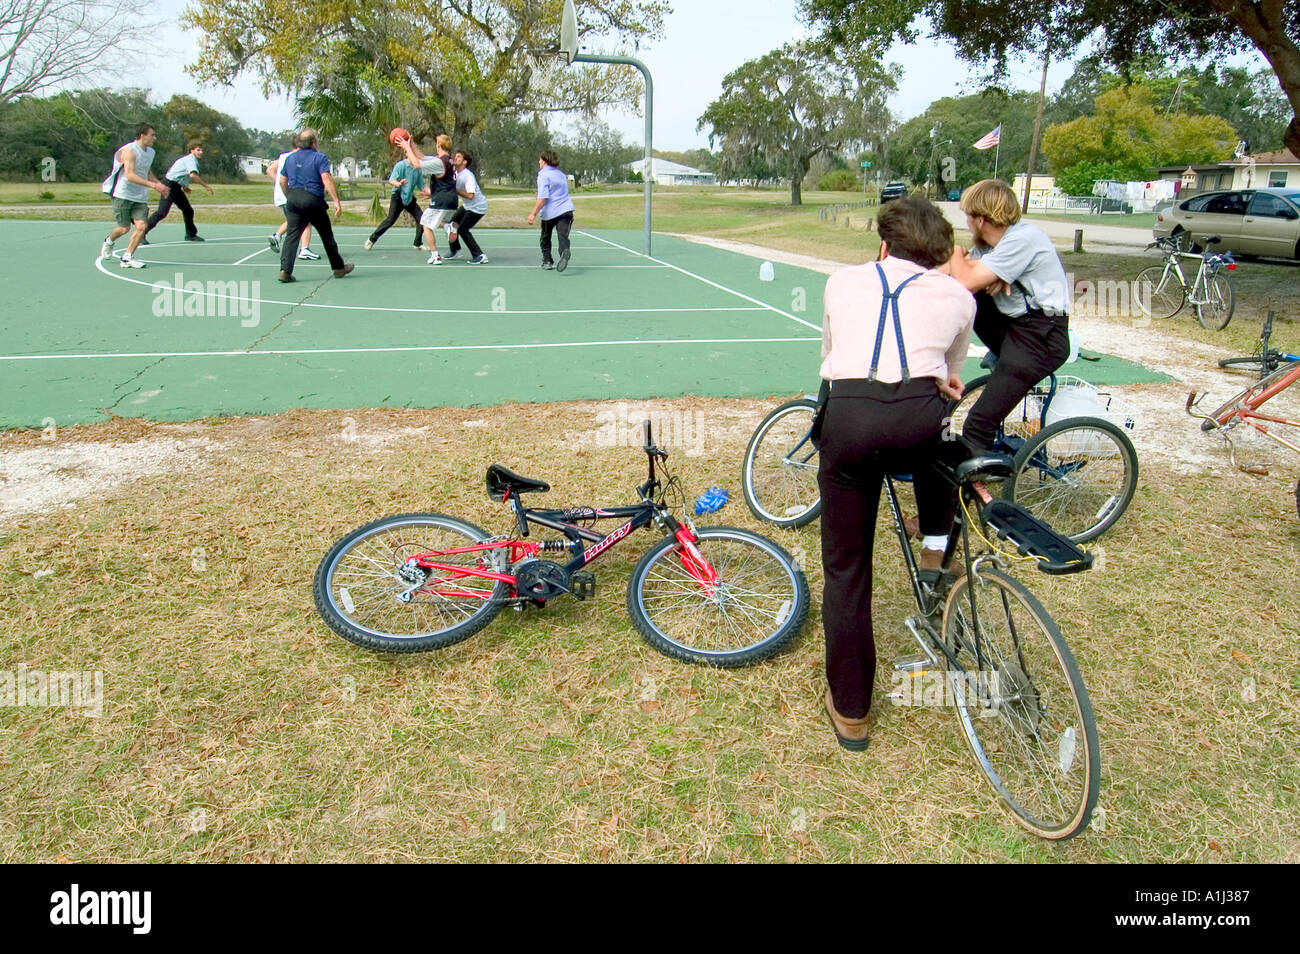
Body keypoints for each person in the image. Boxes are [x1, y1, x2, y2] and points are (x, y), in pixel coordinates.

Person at [816, 196, 975, 750]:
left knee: (847, 569)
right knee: (942, 443)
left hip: (851, 420)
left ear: (883, 245)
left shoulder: (840, 282)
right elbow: (950, 377)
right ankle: (936, 549)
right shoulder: (958, 296)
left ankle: (853, 710)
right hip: (917, 418)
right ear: (935, 253)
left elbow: (832, 358)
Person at [946, 179, 1071, 453]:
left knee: (978, 424)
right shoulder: (989, 246)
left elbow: (965, 277)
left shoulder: (1024, 239)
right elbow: (956, 274)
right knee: (965, 292)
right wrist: (970, 270)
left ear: (981, 218)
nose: (965, 220)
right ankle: (1000, 356)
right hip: (1017, 327)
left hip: (1041, 336)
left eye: (967, 214)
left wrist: (956, 253)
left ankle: (972, 489)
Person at [276, 128, 353, 283]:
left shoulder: (290, 159)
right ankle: (338, 268)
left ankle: (285, 271)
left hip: (294, 199)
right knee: (326, 236)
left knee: (292, 236)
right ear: (313, 142)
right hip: (313, 200)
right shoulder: (319, 158)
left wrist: (289, 196)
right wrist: (336, 201)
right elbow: (326, 179)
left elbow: (282, 181)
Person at [99, 122, 170, 268]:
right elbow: (130, 175)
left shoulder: (151, 152)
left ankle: (127, 257)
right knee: (124, 228)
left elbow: (146, 172)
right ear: (142, 135)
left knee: (142, 226)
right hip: (123, 194)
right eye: (152, 135)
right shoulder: (129, 150)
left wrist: (159, 184)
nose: (154, 138)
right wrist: (154, 185)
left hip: (140, 196)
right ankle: (109, 241)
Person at [395, 133, 456, 264]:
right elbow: (421, 157)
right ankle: (448, 227)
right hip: (451, 201)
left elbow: (417, 163)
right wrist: (410, 145)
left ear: (438, 145)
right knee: (438, 220)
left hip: (441, 200)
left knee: (425, 225)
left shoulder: (439, 162)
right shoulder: (447, 160)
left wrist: (406, 146)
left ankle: (435, 255)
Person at [143, 140, 214, 242]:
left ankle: (190, 235)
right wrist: (206, 186)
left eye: (202, 150)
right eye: (198, 150)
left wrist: (184, 187)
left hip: (176, 186)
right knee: (162, 212)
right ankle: (141, 233)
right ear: (191, 151)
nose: (201, 152)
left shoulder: (190, 160)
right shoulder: (190, 160)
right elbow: (193, 175)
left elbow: (181, 174)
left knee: (188, 210)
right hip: (169, 186)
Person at [364, 149, 424, 250]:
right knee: (390, 220)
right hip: (398, 196)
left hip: (409, 198)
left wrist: (432, 193)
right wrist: (399, 184)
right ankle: (371, 240)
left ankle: (417, 243)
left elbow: (422, 185)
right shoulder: (401, 165)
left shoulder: (417, 169)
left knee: (422, 219)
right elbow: (391, 180)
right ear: (407, 153)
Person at [526, 150, 575, 271]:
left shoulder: (543, 174)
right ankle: (564, 251)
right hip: (566, 210)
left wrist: (533, 213)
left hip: (550, 212)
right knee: (563, 235)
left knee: (545, 236)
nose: (538, 162)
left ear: (544, 161)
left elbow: (543, 198)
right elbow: (557, 191)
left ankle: (547, 261)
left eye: (540, 160)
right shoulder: (561, 174)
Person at [267, 143, 317, 260]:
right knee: (306, 221)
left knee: (295, 220)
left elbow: (269, 170)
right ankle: (304, 249)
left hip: (281, 195)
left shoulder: (283, 157)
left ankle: (277, 236)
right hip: (291, 194)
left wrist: (279, 181)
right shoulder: (298, 158)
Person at [444, 150, 489, 264]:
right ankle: (455, 250)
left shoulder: (468, 175)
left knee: (463, 229)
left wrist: (455, 190)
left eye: (458, 157)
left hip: (477, 207)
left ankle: (480, 255)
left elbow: (470, 195)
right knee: (451, 225)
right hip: (467, 206)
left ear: (464, 162)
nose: (455, 157)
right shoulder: (455, 172)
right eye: (455, 155)